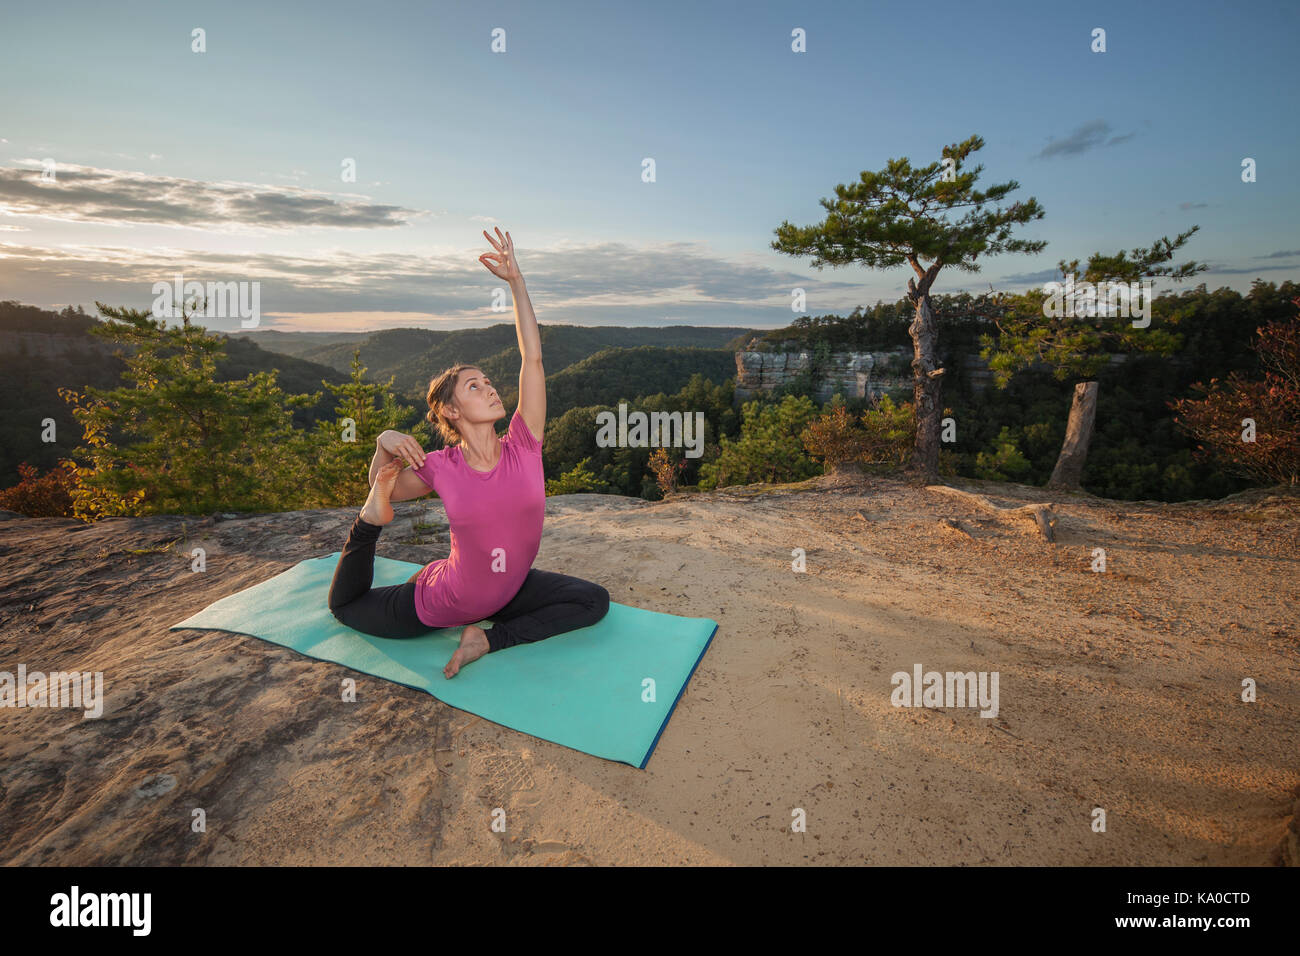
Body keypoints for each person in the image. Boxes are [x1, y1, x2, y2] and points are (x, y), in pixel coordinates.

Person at [327, 228, 610, 678]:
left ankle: (487, 639)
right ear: (451, 411)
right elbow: (383, 491)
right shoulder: (440, 466)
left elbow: (532, 360)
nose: (491, 389)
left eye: (489, 382)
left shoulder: (524, 444)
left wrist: (516, 281)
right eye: (474, 387)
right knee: (344, 607)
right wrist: (384, 442)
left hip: (507, 591)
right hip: (442, 603)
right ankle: (372, 533)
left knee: (594, 601)